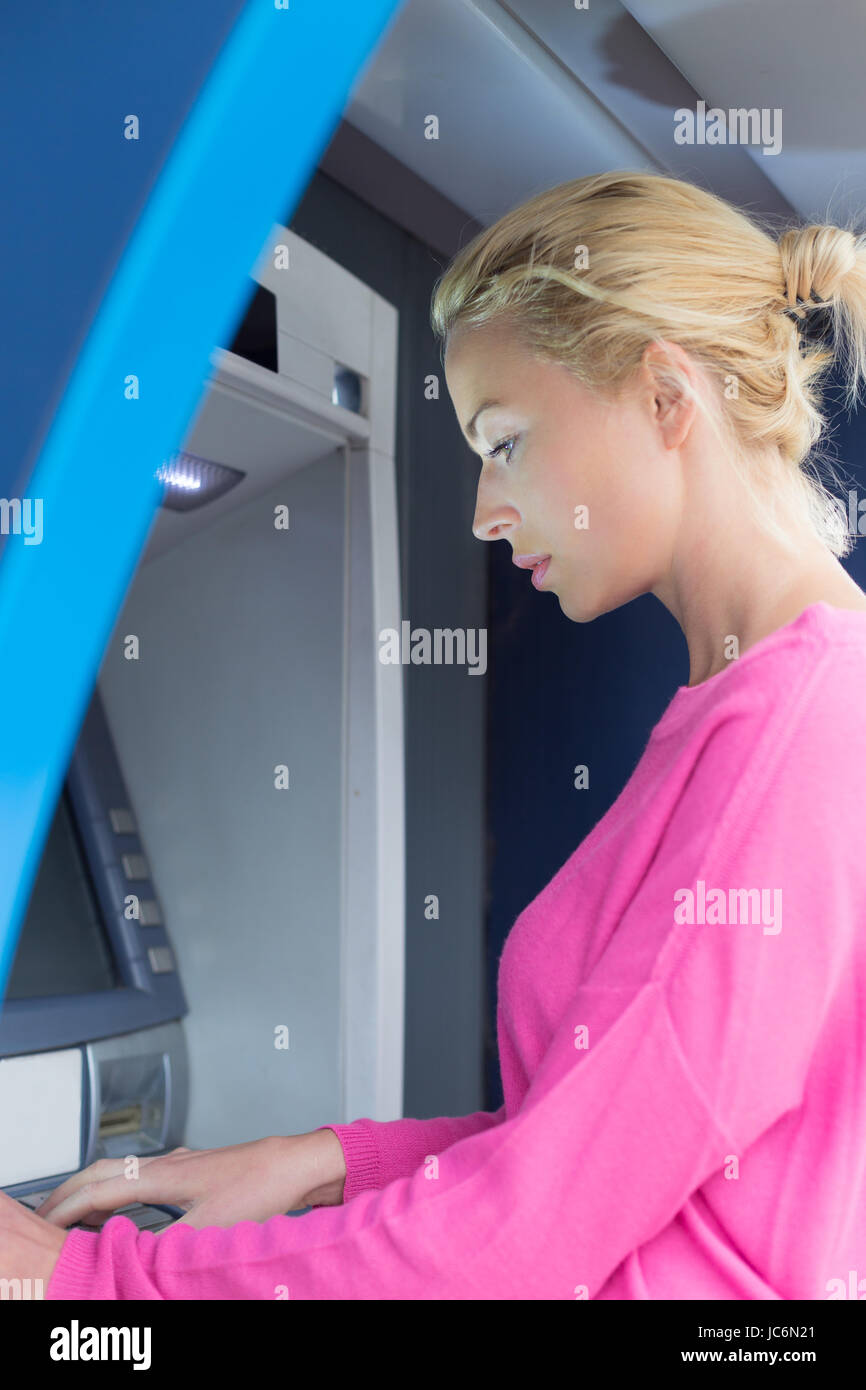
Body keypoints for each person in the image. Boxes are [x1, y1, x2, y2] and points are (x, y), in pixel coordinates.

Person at [4, 168, 866, 1299]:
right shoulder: (759, 706)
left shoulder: (799, 729)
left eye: (502, 441)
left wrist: (79, 1284)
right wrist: (323, 1164)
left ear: (665, 398)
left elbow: (525, 1235)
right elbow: (599, 1154)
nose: (480, 509)